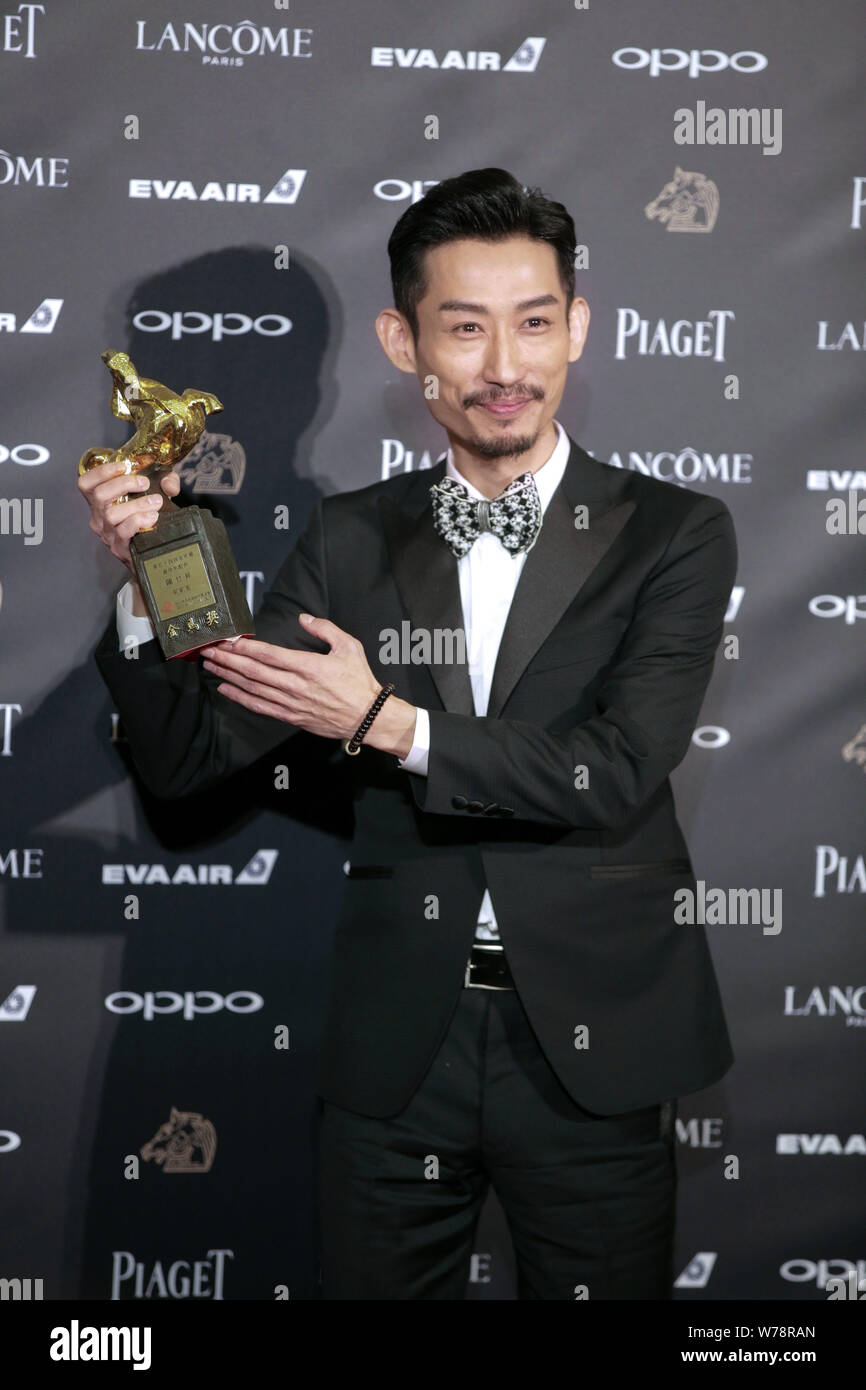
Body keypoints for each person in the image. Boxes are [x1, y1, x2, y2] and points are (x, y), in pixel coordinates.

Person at [80, 167, 737, 1301]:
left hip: (592, 1046)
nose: (504, 367)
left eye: (534, 323)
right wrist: (146, 589)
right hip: (397, 1053)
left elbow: (618, 769)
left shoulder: (671, 532)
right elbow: (191, 764)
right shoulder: (347, 540)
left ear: (576, 327)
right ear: (402, 341)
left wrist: (385, 723)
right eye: (464, 327)